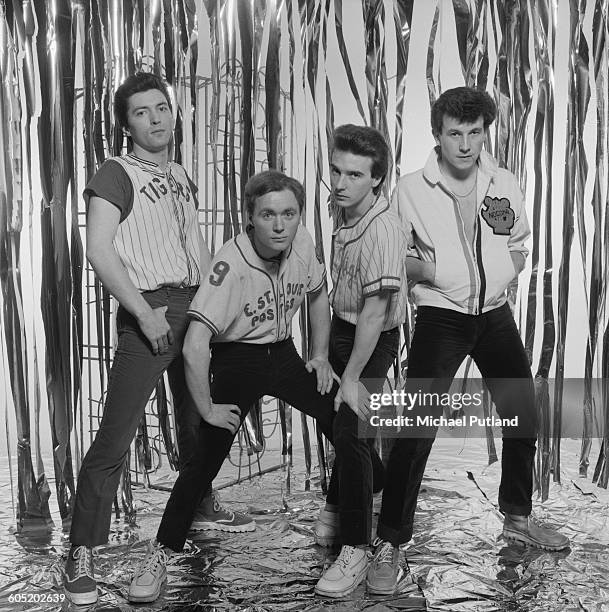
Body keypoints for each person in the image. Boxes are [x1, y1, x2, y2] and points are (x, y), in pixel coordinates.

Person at [368, 86, 569, 596]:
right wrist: (434, 275)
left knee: (522, 418)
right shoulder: (413, 188)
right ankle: (390, 543)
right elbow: (395, 251)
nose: (465, 145)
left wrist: (506, 271)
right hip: (443, 317)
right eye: (454, 134)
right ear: (436, 135)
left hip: (495, 315)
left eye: (474, 133)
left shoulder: (500, 182)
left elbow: (516, 239)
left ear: (485, 132)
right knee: (417, 432)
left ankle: (518, 521)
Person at [63, 72, 252, 607]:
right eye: (142, 111)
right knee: (117, 435)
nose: (156, 118)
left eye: (162, 107)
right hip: (151, 306)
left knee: (197, 418)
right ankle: (81, 551)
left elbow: (194, 245)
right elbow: (100, 250)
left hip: (194, 304)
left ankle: (200, 500)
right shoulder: (115, 172)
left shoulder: (178, 171)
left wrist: (215, 305)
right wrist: (144, 314)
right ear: (126, 124)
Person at [125, 169, 344, 603]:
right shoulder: (229, 266)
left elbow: (318, 294)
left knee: (340, 414)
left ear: (299, 215)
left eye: (289, 213)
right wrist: (206, 408)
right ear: (249, 218)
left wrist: (318, 355)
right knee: (205, 460)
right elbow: (194, 345)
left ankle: (352, 506)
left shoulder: (301, 242)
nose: (279, 224)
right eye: (268, 215)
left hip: (282, 353)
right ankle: (158, 558)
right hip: (237, 360)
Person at [312, 125, 408, 598]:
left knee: (351, 428)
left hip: (375, 334)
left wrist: (351, 377)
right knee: (340, 422)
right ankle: (348, 494)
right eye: (336, 171)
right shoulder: (344, 207)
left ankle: (357, 548)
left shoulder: (385, 228)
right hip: (343, 327)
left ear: (377, 179)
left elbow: (375, 314)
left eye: (354, 174)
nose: (341, 182)